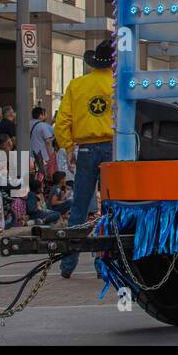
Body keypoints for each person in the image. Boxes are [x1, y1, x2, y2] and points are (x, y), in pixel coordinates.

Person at [53, 39, 116, 277]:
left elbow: (63, 121)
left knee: (79, 208)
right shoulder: (117, 84)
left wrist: (68, 148)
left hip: (87, 150)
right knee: (110, 208)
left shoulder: (77, 85)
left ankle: (68, 264)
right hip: (112, 148)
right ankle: (105, 264)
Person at [29, 105, 56, 179]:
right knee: (44, 177)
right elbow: (48, 141)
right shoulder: (42, 125)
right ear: (41, 115)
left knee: (33, 176)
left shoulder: (28, 124)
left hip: (30, 156)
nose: (46, 116)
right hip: (42, 157)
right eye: (45, 114)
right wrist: (51, 156)